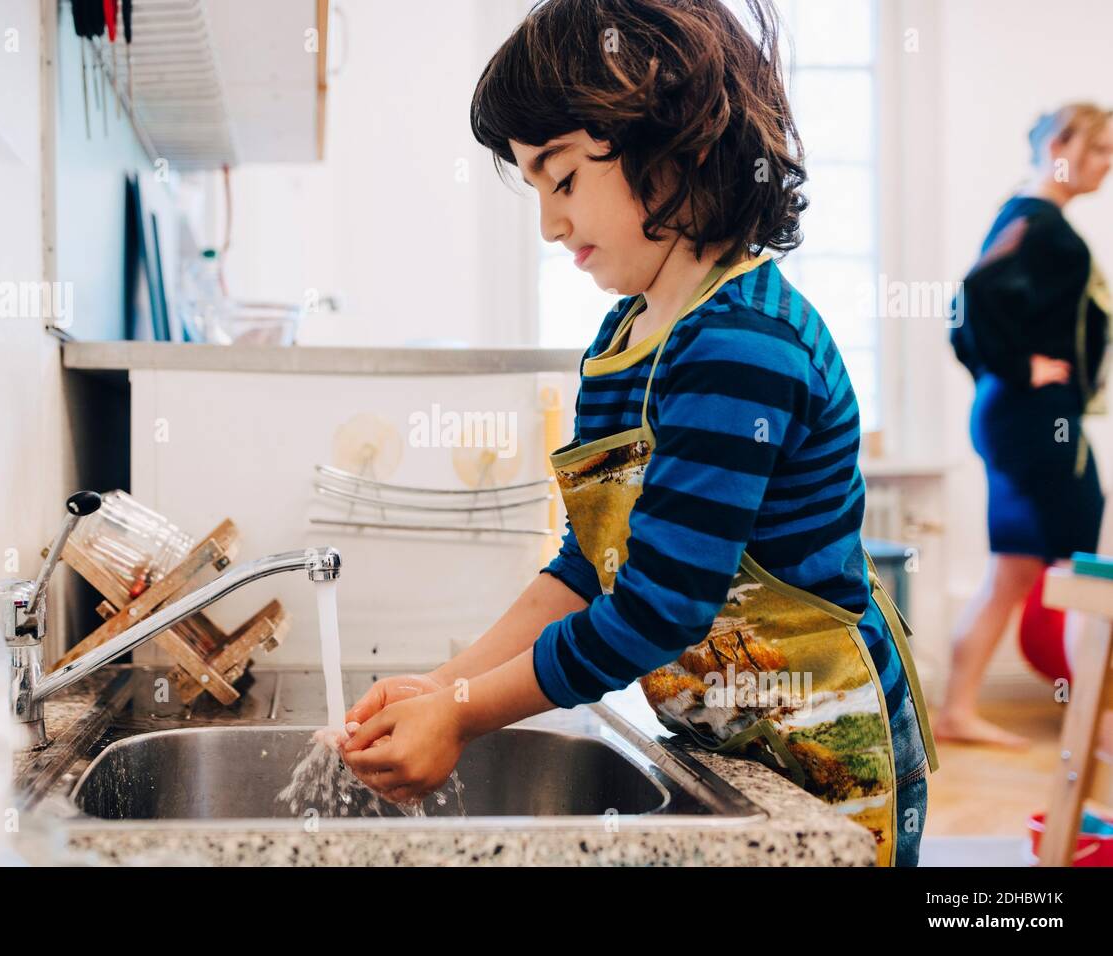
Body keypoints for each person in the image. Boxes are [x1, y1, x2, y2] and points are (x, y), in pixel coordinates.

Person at [338, 0, 938, 866]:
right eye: (535, 186)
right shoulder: (625, 340)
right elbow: (588, 568)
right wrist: (445, 682)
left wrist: (465, 713)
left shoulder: (742, 347)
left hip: (829, 764)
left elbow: (660, 607)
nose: (549, 224)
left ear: (679, 144)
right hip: (723, 746)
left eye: (565, 178)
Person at [945, 103, 1113, 748]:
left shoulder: (1026, 216)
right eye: (1098, 151)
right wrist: (1020, 368)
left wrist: (1004, 375)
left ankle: (960, 711)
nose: (1104, 167)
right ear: (1062, 145)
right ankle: (1092, 728)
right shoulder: (1039, 222)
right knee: (1084, 571)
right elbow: (971, 298)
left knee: (1014, 572)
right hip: (1035, 421)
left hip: (1021, 417)